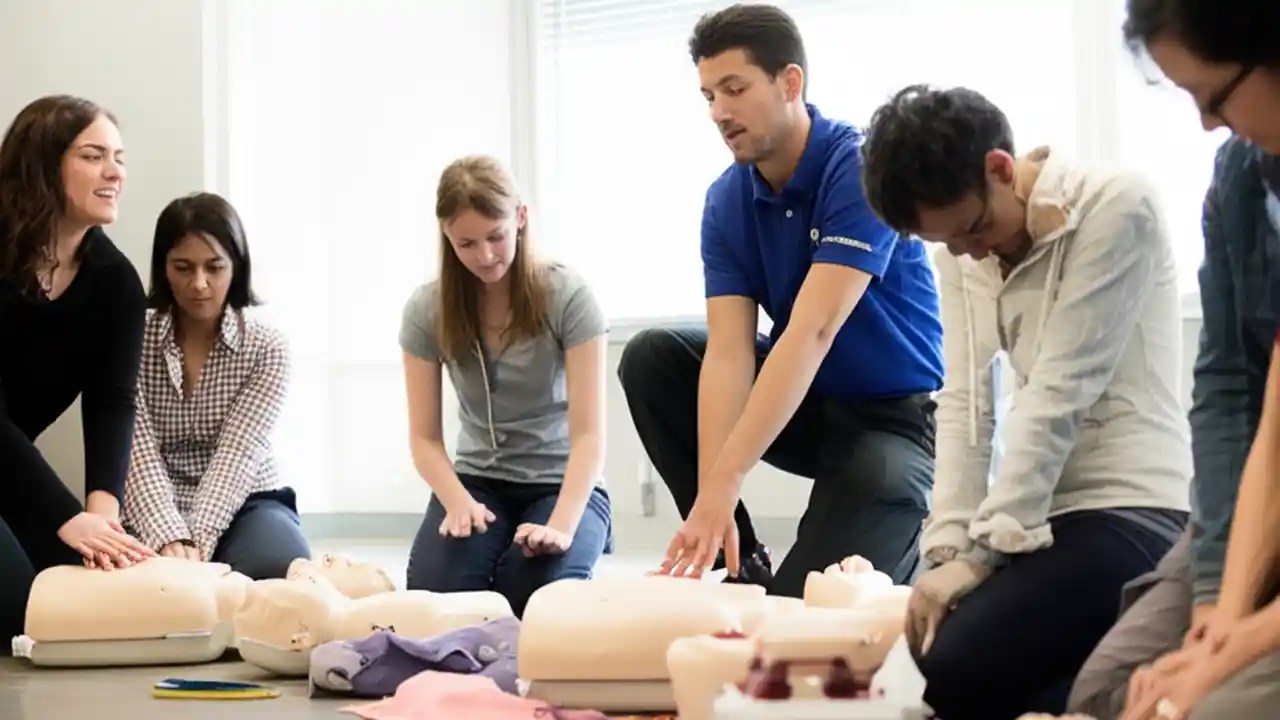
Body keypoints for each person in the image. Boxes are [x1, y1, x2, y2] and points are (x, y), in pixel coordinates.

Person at [859, 84, 1193, 719]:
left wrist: (982, 557)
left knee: (953, 673)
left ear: (1001, 168)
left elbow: (1058, 395)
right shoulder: (961, 250)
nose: (971, 251)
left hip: (1132, 505)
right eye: (950, 243)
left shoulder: (1118, 206)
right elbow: (962, 406)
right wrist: (947, 555)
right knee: (924, 665)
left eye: (976, 229)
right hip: (1036, 526)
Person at [617, 3, 943, 597]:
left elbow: (813, 332)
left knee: (804, 611)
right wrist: (718, 495)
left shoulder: (861, 166)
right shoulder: (726, 201)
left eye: (734, 89)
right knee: (653, 357)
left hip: (897, 423)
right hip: (816, 409)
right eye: (708, 95)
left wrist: (728, 475)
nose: (718, 112)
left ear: (790, 82)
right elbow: (729, 355)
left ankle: (909, 540)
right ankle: (734, 553)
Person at [1066, 3, 1280, 718]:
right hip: (1248, 507)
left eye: (1213, 97)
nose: (1208, 124)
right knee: (1112, 694)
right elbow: (1246, 405)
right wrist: (1222, 603)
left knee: (1202, 707)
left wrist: (1241, 642)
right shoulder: (1249, 179)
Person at [400, 155, 612, 618]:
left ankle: (574, 552)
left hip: (560, 483)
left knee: (537, 594)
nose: (485, 256)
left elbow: (589, 438)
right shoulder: (426, 310)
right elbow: (425, 439)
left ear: (520, 218)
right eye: (466, 244)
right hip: (478, 484)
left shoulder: (569, 297)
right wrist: (457, 502)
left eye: (495, 236)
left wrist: (561, 526)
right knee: (437, 594)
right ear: (446, 238)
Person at [0, 95, 156, 651]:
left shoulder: (115, 282)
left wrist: (101, 520)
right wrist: (64, 515)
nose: (115, 172)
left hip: (11, 476)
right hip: (10, 469)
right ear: (43, 163)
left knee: (112, 585)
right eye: (94, 156)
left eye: (119, 157)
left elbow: (113, 402)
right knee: (17, 603)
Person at [121, 192, 309, 580]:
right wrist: (167, 535)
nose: (199, 284)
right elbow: (135, 451)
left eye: (214, 267)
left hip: (247, 499)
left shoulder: (266, 346)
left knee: (275, 566)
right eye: (183, 268)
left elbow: (238, 455)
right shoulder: (130, 338)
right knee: (127, 580)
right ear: (163, 268)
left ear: (236, 268)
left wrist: (196, 545)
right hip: (151, 499)